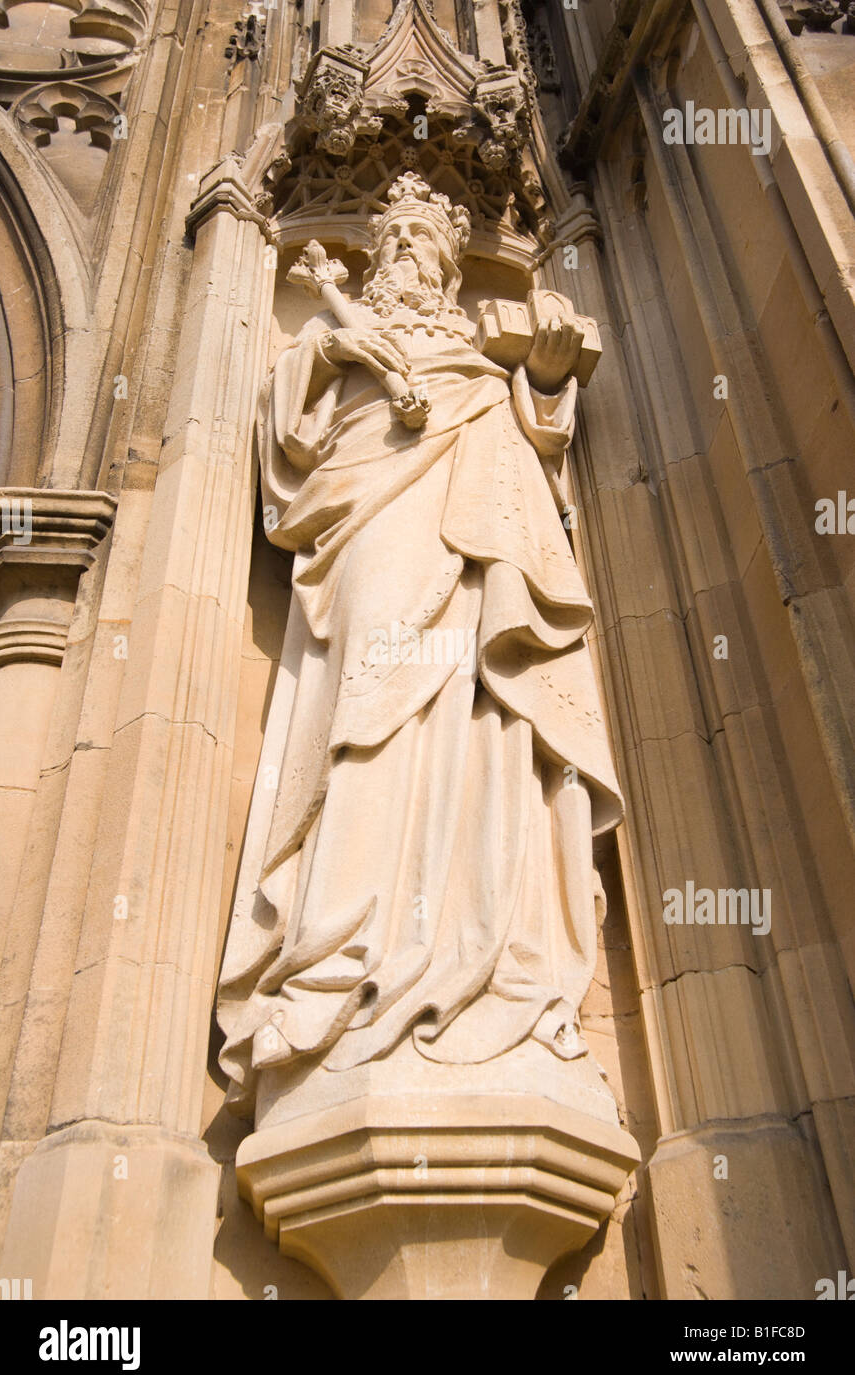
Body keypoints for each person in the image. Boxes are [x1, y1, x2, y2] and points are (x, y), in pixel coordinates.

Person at [217, 173, 623, 1111]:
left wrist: (547, 380)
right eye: (394, 235)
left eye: (423, 239)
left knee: (489, 731)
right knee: (370, 721)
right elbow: (286, 438)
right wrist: (326, 356)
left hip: (483, 538)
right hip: (372, 525)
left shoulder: (478, 346)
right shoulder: (333, 328)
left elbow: (540, 440)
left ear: (450, 262)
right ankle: (345, 958)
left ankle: (482, 959)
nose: (406, 249)